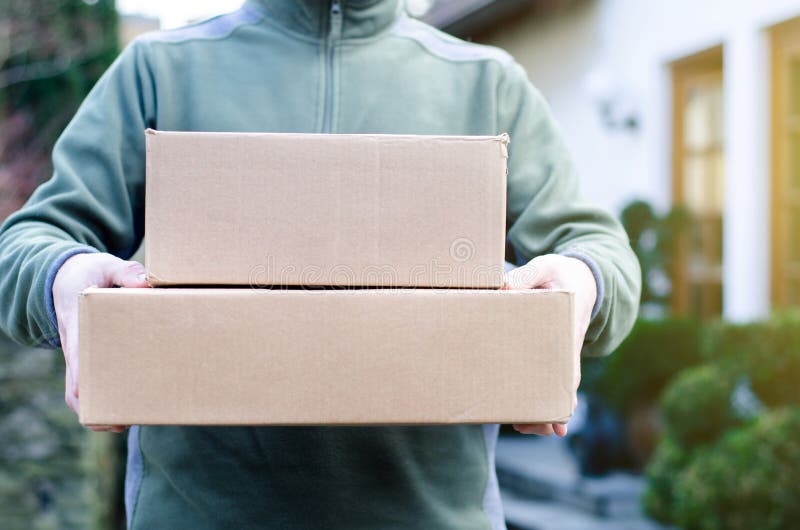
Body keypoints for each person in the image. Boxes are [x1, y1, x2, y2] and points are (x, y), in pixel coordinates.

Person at [0, 1, 641, 528]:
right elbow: (29, 241)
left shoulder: (486, 83)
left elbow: (598, 249)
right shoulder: (162, 70)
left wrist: (582, 281)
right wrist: (62, 276)